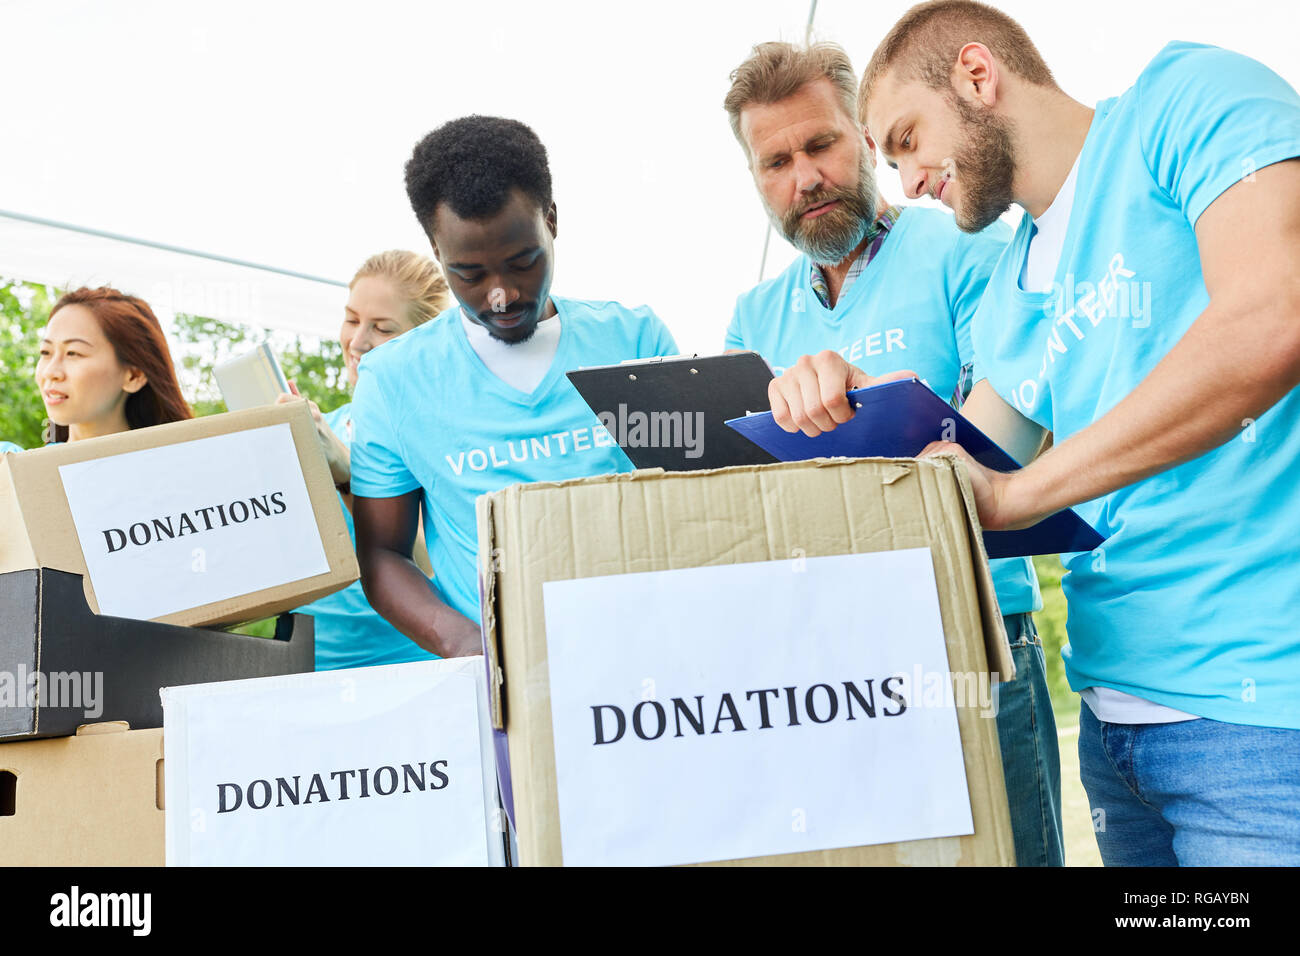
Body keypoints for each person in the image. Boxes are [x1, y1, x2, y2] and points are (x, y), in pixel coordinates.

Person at [772, 0, 1300, 865]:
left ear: (978, 76)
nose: (908, 184)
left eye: (907, 140)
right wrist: (853, 405)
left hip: (1260, 720)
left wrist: (1020, 495)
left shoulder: (1188, 98)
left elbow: (1274, 318)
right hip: (1114, 732)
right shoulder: (1013, 289)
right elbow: (956, 478)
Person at [722, 40, 1060, 866]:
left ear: (866, 140)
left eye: (821, 144)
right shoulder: (751, 320)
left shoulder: (971, 251)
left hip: (974, 636)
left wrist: (874, 401)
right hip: (821, 661)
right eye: (776, 162)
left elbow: (1013, 447)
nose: (805, 178)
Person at [349, 115, 679, 658]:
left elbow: (692, 505)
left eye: (523, 263)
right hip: (497, 677)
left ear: (552, 220)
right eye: (470, 275)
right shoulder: (394, 382)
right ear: (436, 249)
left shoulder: (634, 340)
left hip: (645, 657)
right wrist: (468, 646)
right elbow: (383, 555)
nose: (501, 295)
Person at [282, 250, 451, 670]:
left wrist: (345, 469)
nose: (357, 342)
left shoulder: (445, 435)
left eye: (382, 327)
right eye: (352, 319)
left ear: (424, 338)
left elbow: (432, 565)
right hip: (304, 668)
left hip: (409, 670)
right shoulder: (323, 427)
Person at [35, 286, 192, 443]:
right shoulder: (26, 459)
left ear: (134, 376)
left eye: (73, 353)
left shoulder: (181, 457)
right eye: (45, 352)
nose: (49, 372)